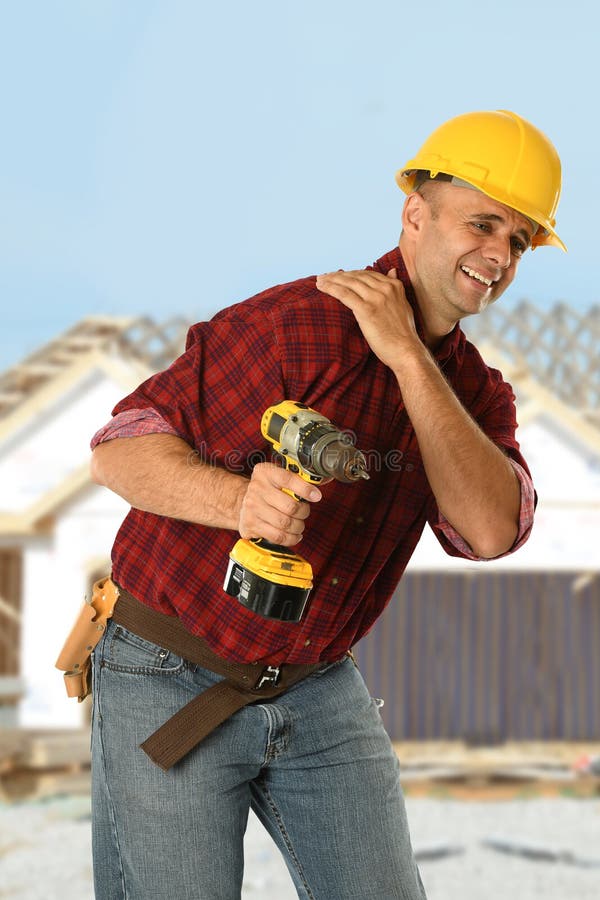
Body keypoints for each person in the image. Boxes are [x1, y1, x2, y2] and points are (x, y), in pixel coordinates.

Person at [88, 109, 564, 899]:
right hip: (168, 667)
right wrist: (237, 501)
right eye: (483, 224)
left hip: (316, 682)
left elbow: (488, 532)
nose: (499, 256)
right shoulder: (296, 326)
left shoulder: (475, 393)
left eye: (518, 241)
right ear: (416, 215)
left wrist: (410, 356)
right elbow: (119, 448)